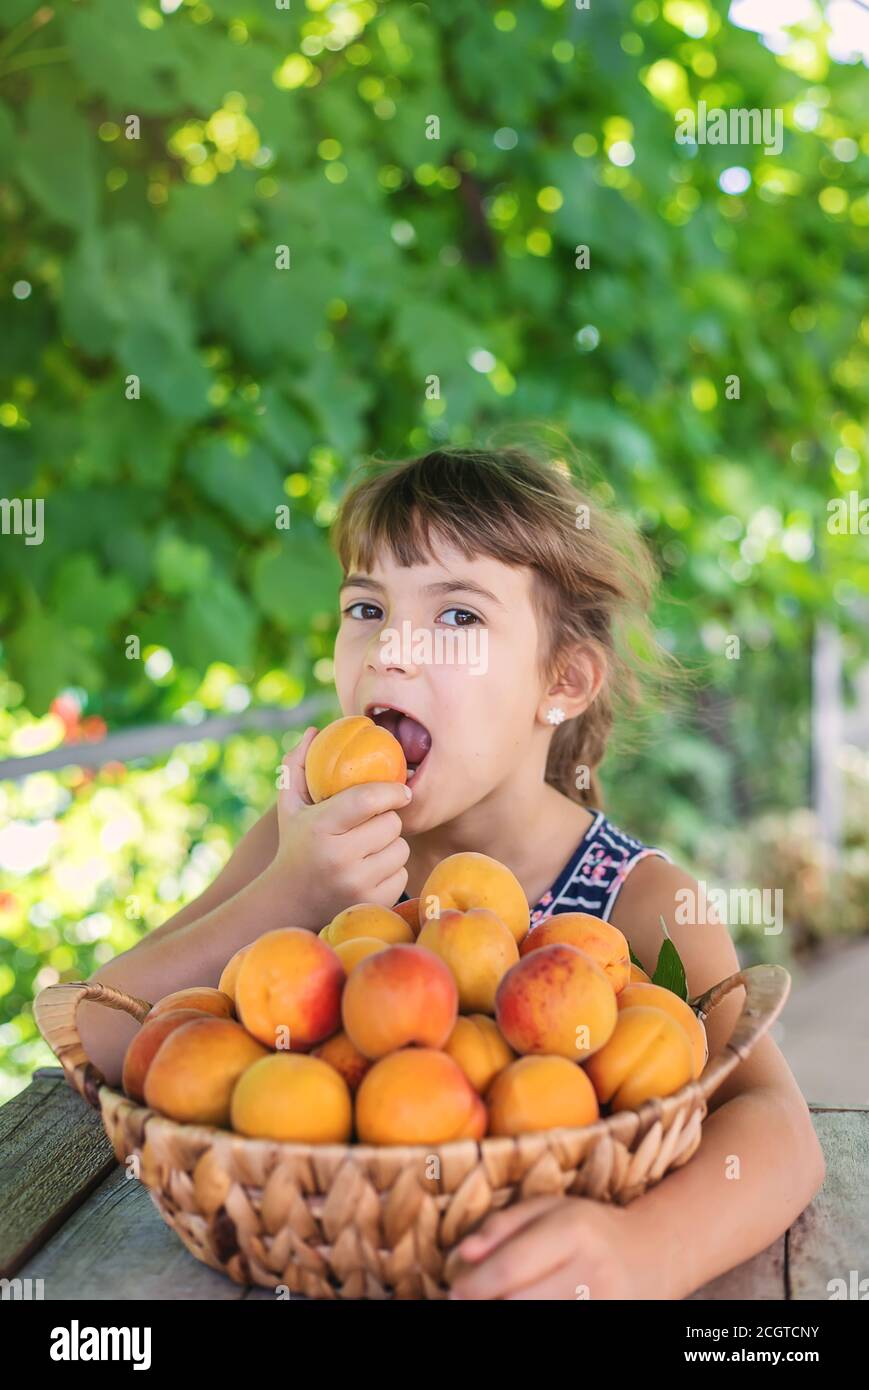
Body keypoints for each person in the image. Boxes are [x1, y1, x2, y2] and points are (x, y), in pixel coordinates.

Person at [79, 445, 825, 1299]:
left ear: (563, 681)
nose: (390, 650)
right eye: (366, 606)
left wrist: (644, 1251)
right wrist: (289, 891)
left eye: (458, 617)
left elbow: (776, 1133)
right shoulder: (302, 844)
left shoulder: (638, 902)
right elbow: (103, 1034)